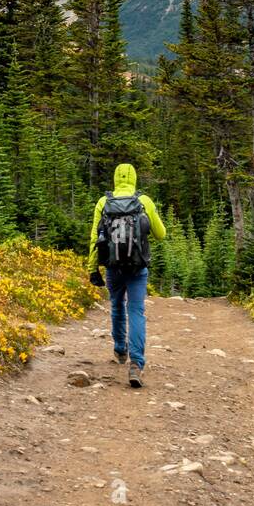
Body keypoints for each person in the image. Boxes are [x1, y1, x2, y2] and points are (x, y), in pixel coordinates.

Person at [88, 162, 166, 388]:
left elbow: (94, 238)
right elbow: (161, 234)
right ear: (133, 178)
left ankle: (120, 348)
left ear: (115, 178)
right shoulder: (144, 201)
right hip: (137, 267)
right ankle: (136, 364)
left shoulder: (103, 202)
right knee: (136, 311)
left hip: (113, 267)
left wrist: (92, 268)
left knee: (116, 305)